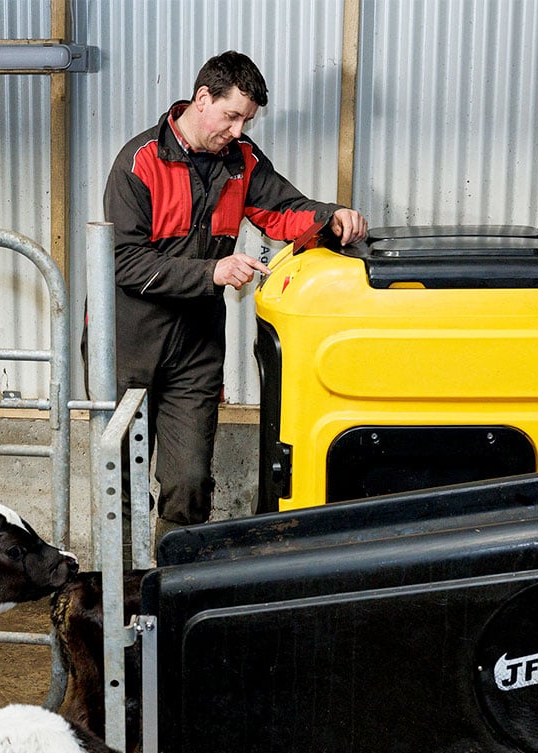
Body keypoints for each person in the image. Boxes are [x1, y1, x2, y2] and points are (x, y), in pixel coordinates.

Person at [101, 50, 368, 551]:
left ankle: (174, 590)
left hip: (195, 348)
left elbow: (285, 208)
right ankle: (118, 600)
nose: (239, 130)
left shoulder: (240, 162)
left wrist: (331, 217)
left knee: (190, 481)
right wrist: (214, 270)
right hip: (128, 345)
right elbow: (124, 262)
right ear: (202, 99)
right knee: (124, 483)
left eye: (246, 119)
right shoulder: (139, 163)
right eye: (232, 116)